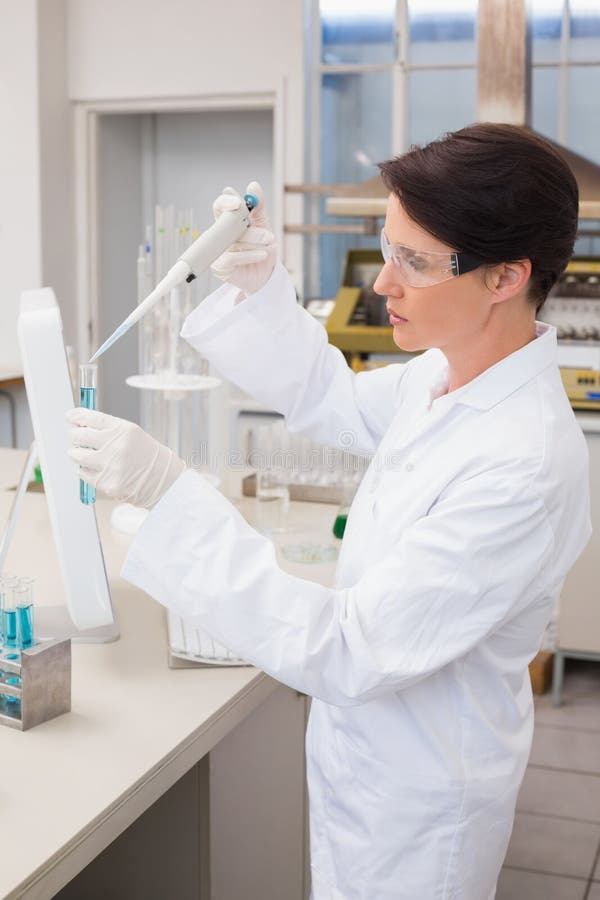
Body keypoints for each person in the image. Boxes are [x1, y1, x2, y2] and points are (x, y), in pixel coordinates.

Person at [67, 123, 591, 900]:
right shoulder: (441, 376)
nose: (384, 284)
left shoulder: (524, 461)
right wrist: (260, 289)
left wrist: (169, 494)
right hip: (368, 762)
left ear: (505, 277)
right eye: (387, 249)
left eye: (415, 262)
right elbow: (329, 396)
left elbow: (348, 648)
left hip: (422, 801)